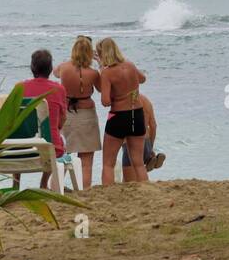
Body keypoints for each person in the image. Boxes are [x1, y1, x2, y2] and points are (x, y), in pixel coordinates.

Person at [96, 37, 147, 186]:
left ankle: (108, 193)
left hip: (118, 116)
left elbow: (105, 101)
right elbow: (143, 79)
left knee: (108, 163)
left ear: (102, 54)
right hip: (136, 114)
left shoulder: (107, 73)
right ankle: (146, 190)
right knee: (138, 162)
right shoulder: (130, 65)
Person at [55, 35, 101, 189]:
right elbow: (102, 89)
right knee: (86, 159)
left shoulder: (63, 68)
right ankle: (84, 190)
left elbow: (55, 72)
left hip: (67, 114)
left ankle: (57, 185)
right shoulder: (93, 73)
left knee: (63, 154)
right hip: (86, 113)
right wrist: (99, 63)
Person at [19, 49, 68, 189]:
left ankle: (15, 184)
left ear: (32, 67)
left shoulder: (19, 88)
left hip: (22, 148)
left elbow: (13, 120)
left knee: (19, 136)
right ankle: (44, 183)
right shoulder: (58, 89)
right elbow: (62, 120)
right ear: (51, 69)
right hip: (51, 148)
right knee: (56, 138)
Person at [121, 93, 165, 181]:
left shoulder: (122, 100)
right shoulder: (146, 100)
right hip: (146, 141)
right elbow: (153, 126)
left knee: (129, 182)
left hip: (130, 144)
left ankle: (148, 165)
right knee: (138, 171)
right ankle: (150, 161)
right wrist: (150, 147)